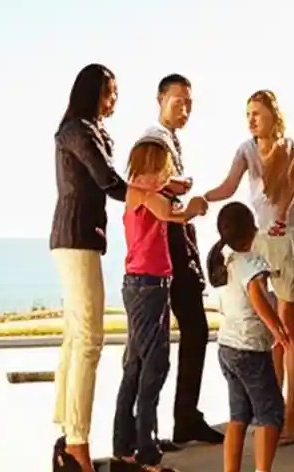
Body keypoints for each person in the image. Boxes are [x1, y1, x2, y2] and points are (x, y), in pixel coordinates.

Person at [204, 89, 294, 445]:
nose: (251, 119)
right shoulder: (246, 150)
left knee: (290, 328)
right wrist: (200, 199)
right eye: (247, 113)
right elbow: (228, 186)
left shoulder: (293, 150)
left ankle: (291, 417)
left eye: (257, 112)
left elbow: (290, 195)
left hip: (293, 242)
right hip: (265, 243)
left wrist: (282, 215)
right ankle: (274, 413)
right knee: (275, 333)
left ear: (273, 114)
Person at [112, 139, 208, 472]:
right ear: (150, 167)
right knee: (153, 367)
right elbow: (171, 213)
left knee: (136, 365)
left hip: (147, 285)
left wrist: (174, 186)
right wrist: (193, 205)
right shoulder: (141, 193)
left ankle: (125, 446)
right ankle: (146, 452)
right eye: (164, 169)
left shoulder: (142, 191)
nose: (167, 175)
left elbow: (163, 196)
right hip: (147, 287)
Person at [138, 74, 224, 447]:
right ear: (160, 98)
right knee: (171, 339)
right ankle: (166, 426)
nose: (185, 109)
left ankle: (179, 419)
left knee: (188, 334)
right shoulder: (154, 141)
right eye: (178, 101)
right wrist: (183, 205)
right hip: (166, 251)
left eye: (189, 103)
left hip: (175, 247)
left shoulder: (168, 141)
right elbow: (144, 189)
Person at [50, 64, 127, 472]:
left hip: (78, 239)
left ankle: (67, 435)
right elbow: (106, 179)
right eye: (109, 92)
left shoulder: (84, 128)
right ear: (92, 92)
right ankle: (77, 443)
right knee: (89, 342)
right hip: (76, 239)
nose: (113, 100)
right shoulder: (78, 129)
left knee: (75, 338)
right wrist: (154, 197)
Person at [207, 202, 291, 472]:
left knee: (238, 416)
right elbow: (257, 297)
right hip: (250, 349)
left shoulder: (227, 260)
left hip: (228, 347)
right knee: (272, 414)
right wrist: (278, 328)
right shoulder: (251, 263)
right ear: (252, 230)